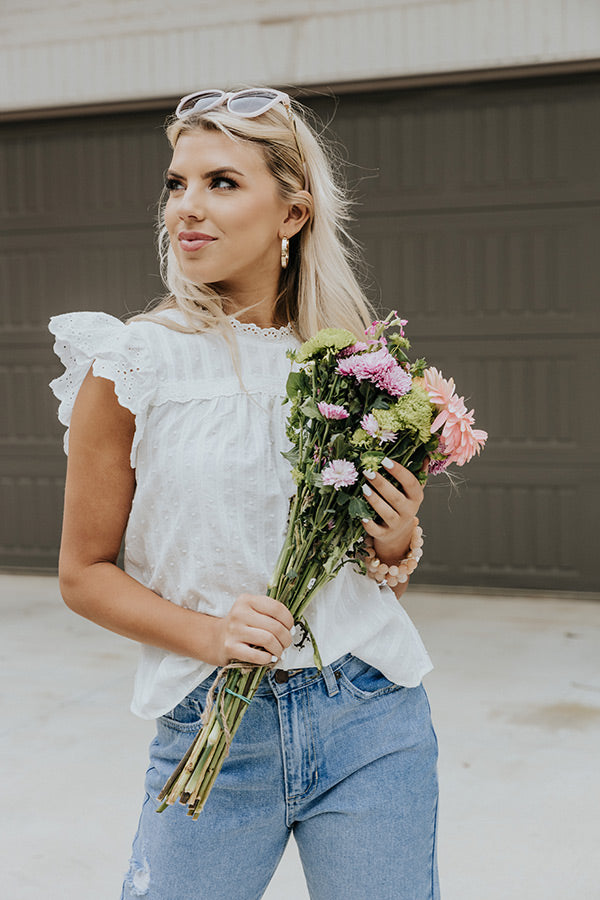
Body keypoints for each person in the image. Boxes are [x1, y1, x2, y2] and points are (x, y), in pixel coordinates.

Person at [49, 88, 440, 900]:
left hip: (369, 710)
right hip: (213, 722)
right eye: (176, 184)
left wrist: (397, 537)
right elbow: (83, 573)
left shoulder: (351, 365)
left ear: (293, 213)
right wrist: (209, 633)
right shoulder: (131, 364)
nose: (186, 209)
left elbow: (373, 567)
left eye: (221, 182)